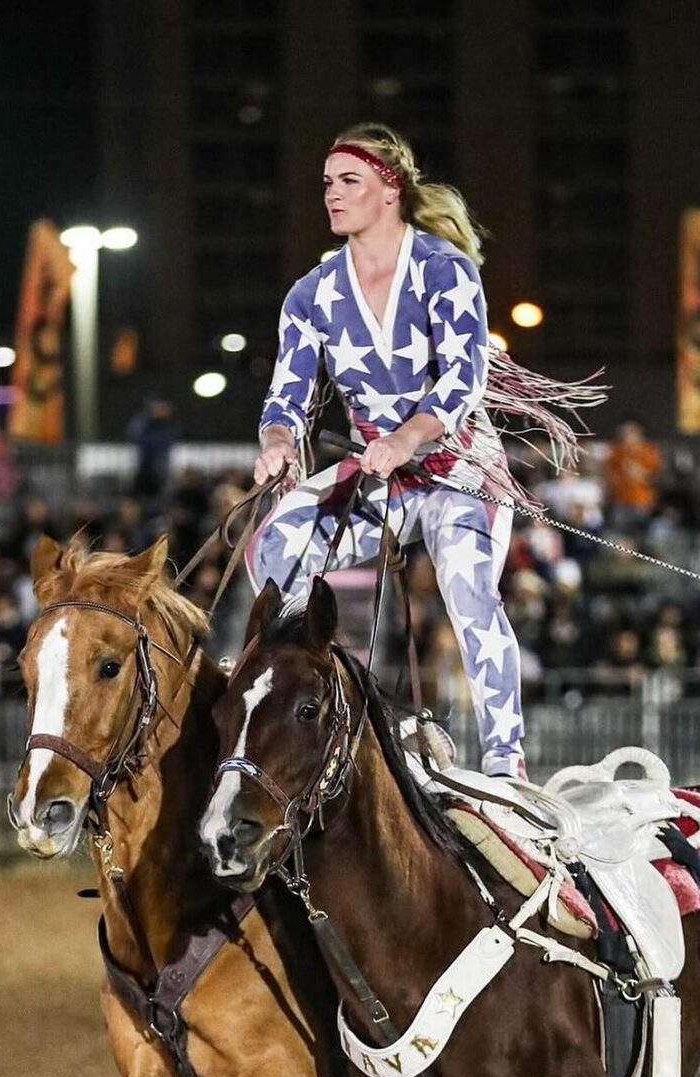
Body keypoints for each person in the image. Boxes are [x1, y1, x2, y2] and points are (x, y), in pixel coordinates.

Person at [247, 122, 601, 780]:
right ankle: (321, 709)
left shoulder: (445, 269)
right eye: (326, 183)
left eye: (348, 181)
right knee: (275, 543)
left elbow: (462, 380)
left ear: (389, 190)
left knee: (470, 593)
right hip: (384, 480)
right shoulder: (311, 294)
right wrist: (276, 443)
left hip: (458, 470)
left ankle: (505, 761)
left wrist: (406, 437)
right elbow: (286, 396)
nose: (331, 194)